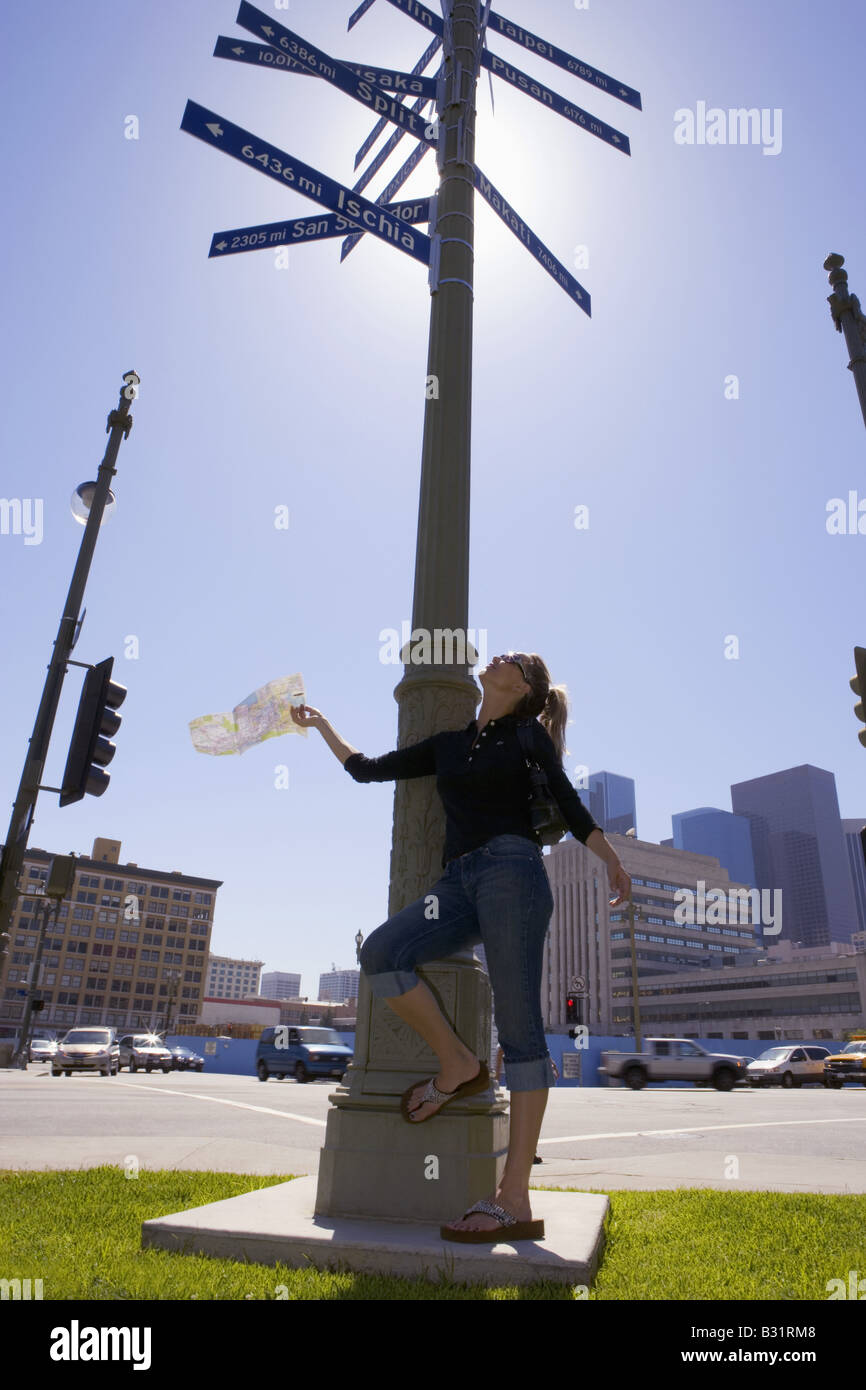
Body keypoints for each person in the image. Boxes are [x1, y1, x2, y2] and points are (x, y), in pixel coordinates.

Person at [290, 652, 630, 1243]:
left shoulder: (527, 735)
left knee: (521, 1031)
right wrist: (321, 726)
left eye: (513, 661)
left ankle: (514, 1197)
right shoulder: (450, 743)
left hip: (513, 872)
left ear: (522, 688)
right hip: (455, 883)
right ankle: (459, 1064)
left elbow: (570, 804)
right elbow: (366, 769)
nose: (497, 657)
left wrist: (613, 862)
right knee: (381, 954)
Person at [494, 1045, 557, 1162]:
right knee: (526, 1113)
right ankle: (524, 1152)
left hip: (528, 1068)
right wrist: (496, 1077)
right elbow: (502, 1047)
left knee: (529, 1113)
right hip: (524, 1070)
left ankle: (529, 1151)